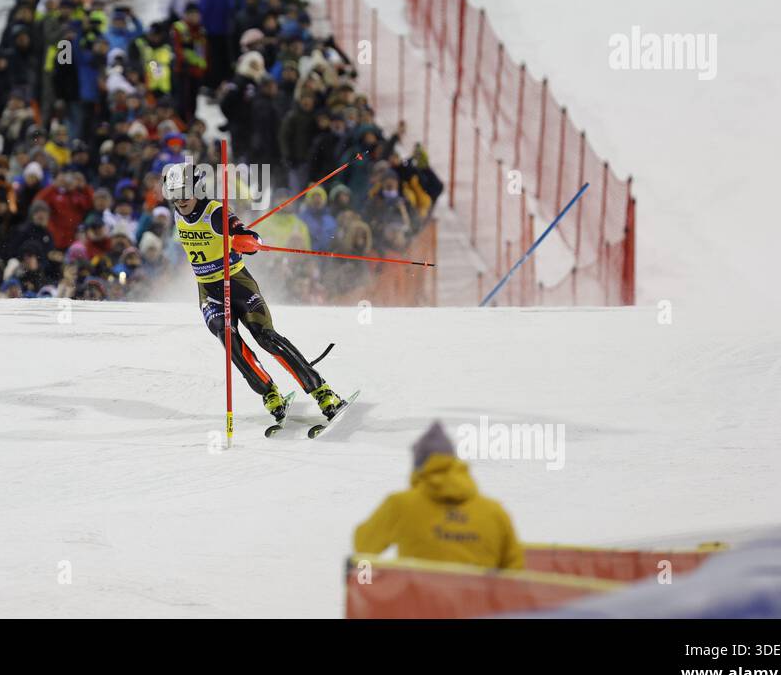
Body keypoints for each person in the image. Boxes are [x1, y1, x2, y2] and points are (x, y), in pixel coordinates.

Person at [162, 161, 345, 424]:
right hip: (209, 292)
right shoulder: (179, 215)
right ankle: (269, 392)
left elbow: (249, 235)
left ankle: (322, 391)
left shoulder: (216, 213)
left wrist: (246, 242)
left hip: (237, 284)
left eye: (183, 194)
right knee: (229, 340)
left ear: (197, 189)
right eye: (173, 195)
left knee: (265, 336)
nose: (179, 201)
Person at [353, 420, 524, 570]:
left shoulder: (401, 505)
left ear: (418, 466)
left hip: (419, 604)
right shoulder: (494, 512)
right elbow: (514, 572)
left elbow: (364, 545)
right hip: (479, 606)